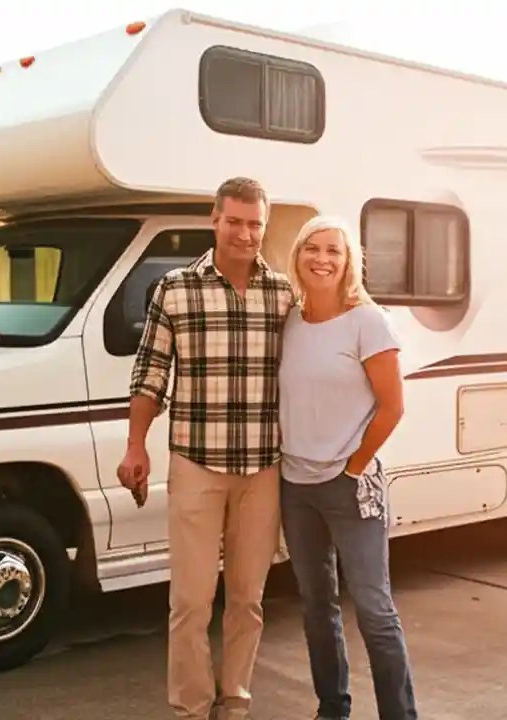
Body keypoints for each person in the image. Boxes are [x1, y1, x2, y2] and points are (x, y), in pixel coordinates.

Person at [118, 176, 296, 720]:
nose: (245, 233)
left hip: (262, 468)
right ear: (213, 220)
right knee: (191, 602)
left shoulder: (284, 294)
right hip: (196, 463)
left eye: (255, 224)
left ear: (264, 227)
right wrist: (136, 447)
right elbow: (150, 375)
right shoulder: (175, 289)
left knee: (247, 600)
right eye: (235, 221)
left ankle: (235, 701)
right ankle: (192, 708)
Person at [277, 215, 419, 720]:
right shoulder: (291, 320)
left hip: (349, 486)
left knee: (376, 612)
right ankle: (332, 709)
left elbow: (392, 405)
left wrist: (353, 467)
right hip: (295, 487)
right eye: (312, 248)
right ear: (297, 256)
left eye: (334, 250)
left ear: (350, 261)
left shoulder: (368, 321)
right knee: (317, 607)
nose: (322, 259)